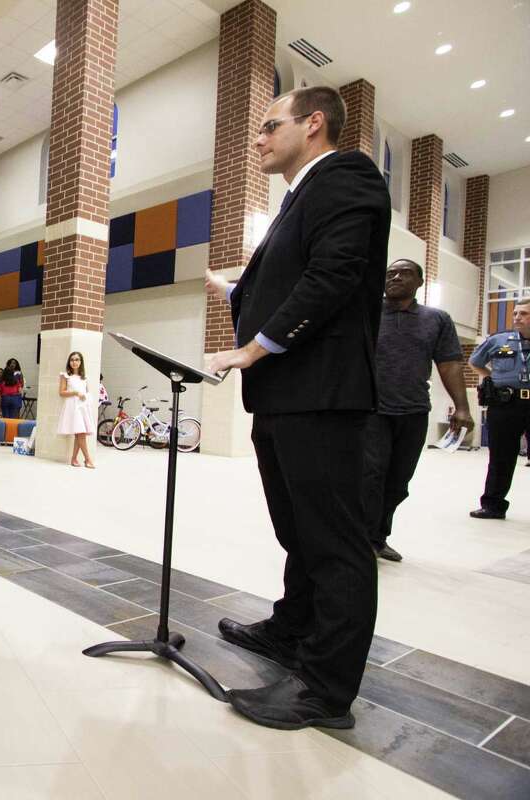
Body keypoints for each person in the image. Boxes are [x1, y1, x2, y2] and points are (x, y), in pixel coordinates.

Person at [206, 86, 390, 731]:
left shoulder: (347, 175)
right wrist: (239, 291)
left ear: (314, 124)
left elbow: (333, 275)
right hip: (289, 395)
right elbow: (292, 275)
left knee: (335, 542)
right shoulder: (298, 198)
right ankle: (292, 630)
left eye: (267, 126)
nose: (257, 138)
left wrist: (253, 348)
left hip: (322, 392)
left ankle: (325, 690)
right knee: (298, 529)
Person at [363, 260, 472, 562]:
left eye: (405, 273)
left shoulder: (436, 319)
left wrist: (462, 407)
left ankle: (378, 537)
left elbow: (449, 363)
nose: (396, 277)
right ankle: (361, 541)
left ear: (420, 282)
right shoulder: (367, 312)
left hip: (413, 411)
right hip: (371, 409)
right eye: (390, 273)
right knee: (370, 476)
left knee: (398, 482)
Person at [468, 298, 530, 520]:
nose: (517, 318)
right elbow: (475, 361)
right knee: (501, 457)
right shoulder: (499, 340)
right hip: (505, 405)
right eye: (515, 313)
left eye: (523, 314)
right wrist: (490, 378)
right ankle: (493, 506)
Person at [58, 351, 96, 468]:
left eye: (77, 360)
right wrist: (75, 393)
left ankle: (74, 459)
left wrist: (86, 397)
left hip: (82, 407)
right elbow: (61, 392)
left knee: (80, 433)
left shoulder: (84, 378)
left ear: (81, 362)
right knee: (80, 433)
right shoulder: (65, 376)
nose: (74, 362)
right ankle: (88, 459)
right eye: (72, 360)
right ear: (69, 362)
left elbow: (87, 393)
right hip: (72, 407)